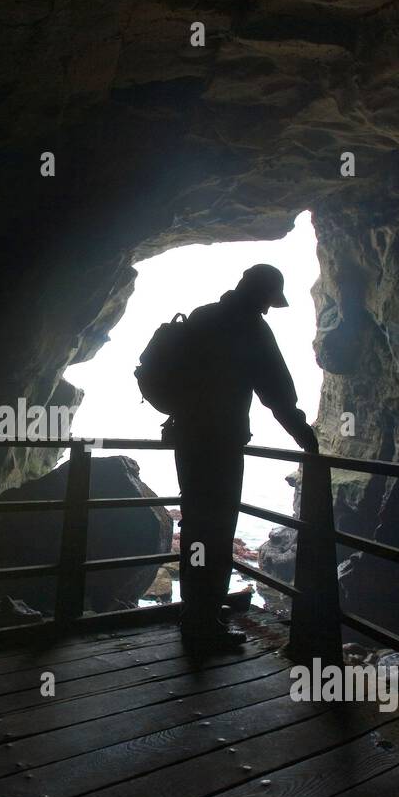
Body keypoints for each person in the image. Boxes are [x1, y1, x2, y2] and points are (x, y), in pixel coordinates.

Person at [166, 264, 319, 646]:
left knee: (197, 525)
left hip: (187, 438)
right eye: (269, 301)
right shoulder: (249, 326)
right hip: (220, 443)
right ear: (261, 295)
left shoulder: (203, 316)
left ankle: (193, 613)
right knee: (217, 529)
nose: (269, 309)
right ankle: (205, 623)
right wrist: (304, 435)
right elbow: (276, 391)